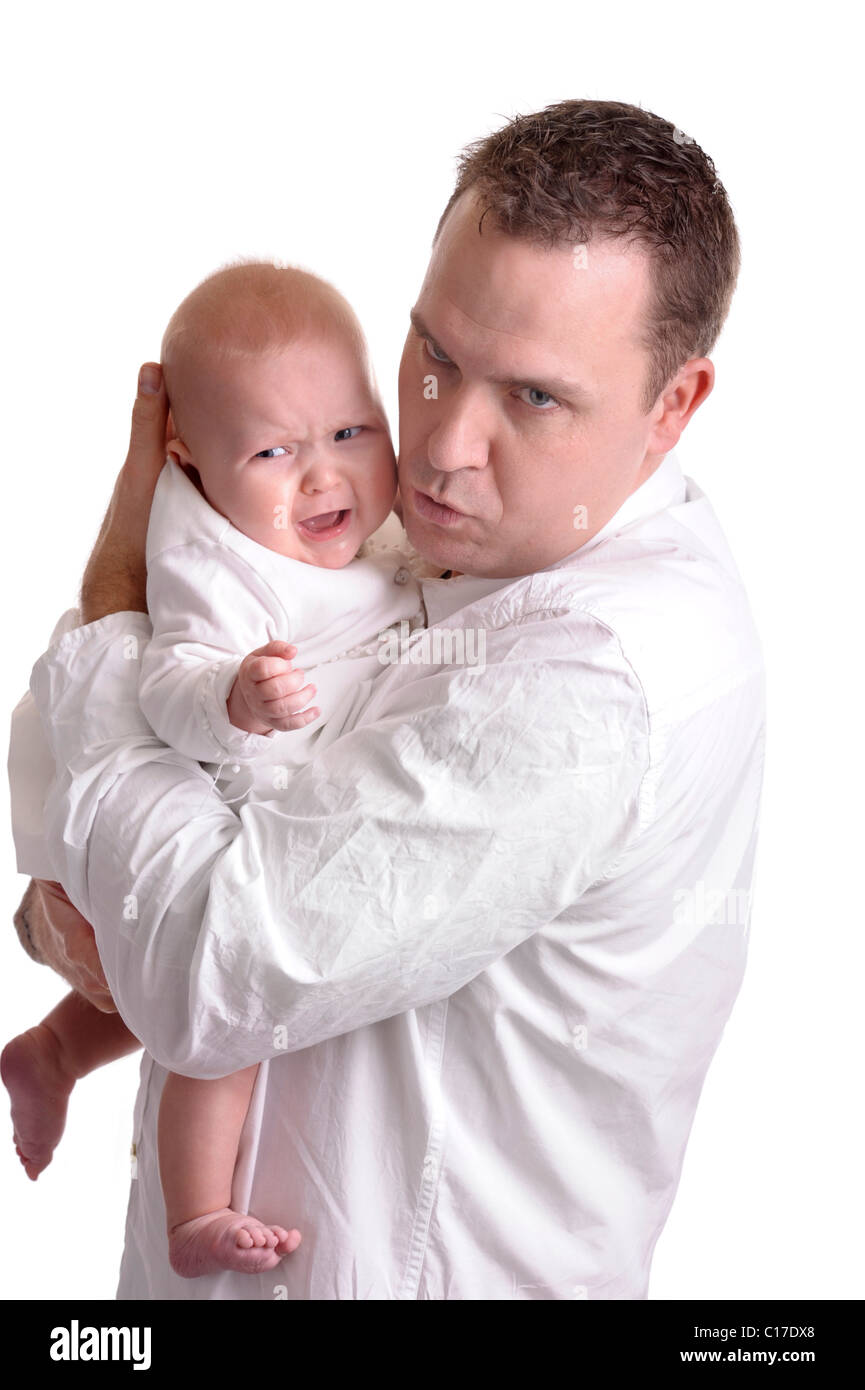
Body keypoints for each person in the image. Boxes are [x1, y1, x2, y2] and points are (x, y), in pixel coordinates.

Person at [9, 98, 765, 1300]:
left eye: (534, 398)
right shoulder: (462, 535)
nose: (442, 448)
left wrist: (110, 613)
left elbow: (203, 971)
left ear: (672, 405)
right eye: (435, 358)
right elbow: (97, 903)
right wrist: (74, 905)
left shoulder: (589, 685)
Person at [3, 260, 436, 1277]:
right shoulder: (212, 560)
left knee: (148, 979)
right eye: (273, 450)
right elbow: (166, 680)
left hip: (296, 806)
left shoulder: (385, 525)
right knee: (222, 1019)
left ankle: (57, 1050)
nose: (322, 476)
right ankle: (192, 1210)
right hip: (232, 796)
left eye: (349, 432)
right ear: (188, 463)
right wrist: (232, 698)